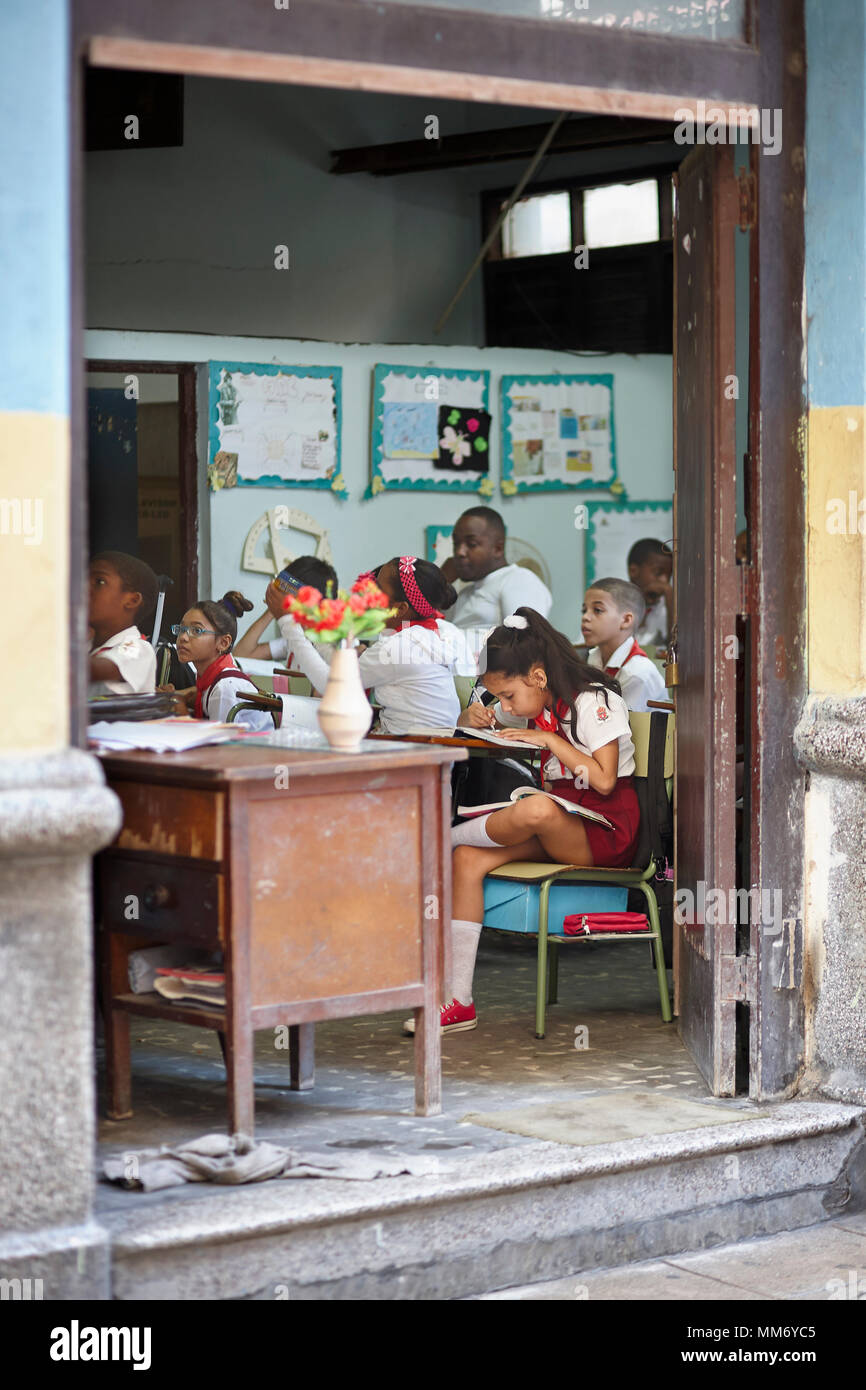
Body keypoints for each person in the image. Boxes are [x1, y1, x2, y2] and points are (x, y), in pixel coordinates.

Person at [407, 606, 639, 1036]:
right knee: (468, 861)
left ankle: (441, 838)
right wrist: (472, 717)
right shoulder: (539, 701)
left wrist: (548, 739)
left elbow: (605, 781)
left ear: (537, 676)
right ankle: (458, 1001)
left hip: (604, 828)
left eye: (509, 695)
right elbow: (483, 720)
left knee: (535, 808)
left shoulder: (592, 701)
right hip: (562, 820)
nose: (509, 706)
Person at [266, 556, 476, 735]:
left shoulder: (400, 647)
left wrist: (288, 624)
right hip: (427, 754)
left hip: (413, 757)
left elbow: (330, 686)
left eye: (378, 589)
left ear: (400, 608)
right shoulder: (422, 636)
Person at [442, 506, 552, 650]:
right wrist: (440, 582)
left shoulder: (519, 579)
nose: (460, 552)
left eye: (471, 544)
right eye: (456, 544)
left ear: (498, 549)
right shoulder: (464, 592)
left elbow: (523, 643)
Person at [163, 591, 272, 730]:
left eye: (196, 630)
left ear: (223, 643)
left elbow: (219, 744)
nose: (183, 637)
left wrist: (180, 710)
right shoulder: (208, 677)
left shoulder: (224, 687)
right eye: (182, 629)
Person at [580, 577, 667, 712]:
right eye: (584, 610)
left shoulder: (637, 673)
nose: (585, 617)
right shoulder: (594, 657)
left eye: (597, 610)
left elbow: (616, 726)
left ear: (626, 620)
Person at [234, 556, 338, 661]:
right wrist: (273, 608)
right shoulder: (292, 640)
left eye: (289, 593)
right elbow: (241, 654)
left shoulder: (335, 647)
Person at [88, 551, 158, 697]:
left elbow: (98, 670)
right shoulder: (86, 646)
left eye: (99, 582)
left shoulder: (135, 646)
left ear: (132, 601)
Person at [627, 538, 673, 648]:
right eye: (658, 573)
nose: (665, 581)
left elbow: (676, 646)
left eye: (669, 575)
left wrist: (671, 597)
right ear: (633, 571)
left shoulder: (666, 608)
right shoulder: (615, 603)